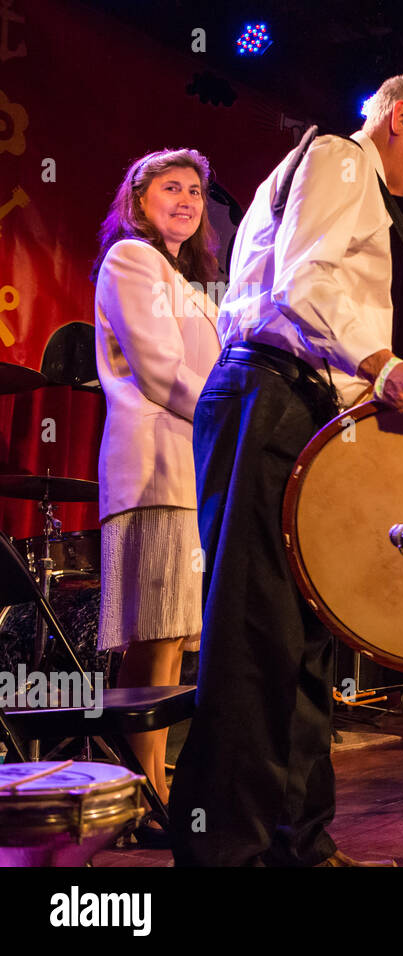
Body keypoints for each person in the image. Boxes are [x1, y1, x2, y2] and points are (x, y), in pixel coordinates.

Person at [168, 74, 403, 867]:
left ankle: (304, 846)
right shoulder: (340, 157)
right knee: (253, 639)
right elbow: (304, 283)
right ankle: (224, 853)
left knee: (304, 641)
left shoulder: (364, 186)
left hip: (298, 406)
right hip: (265, 396)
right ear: (399, 117)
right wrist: (384, 366)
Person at [90, 148, 222, 827]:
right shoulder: (131, 261)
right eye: (171, 188)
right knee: (156, 634)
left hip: (186, 466)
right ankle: (142, 791)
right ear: (138, 200)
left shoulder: (190, 281)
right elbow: (159, 368)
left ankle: (148, 783)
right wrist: (225, 423)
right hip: (154, 464)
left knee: (170, 636)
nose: (186, 200)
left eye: (195, 191)